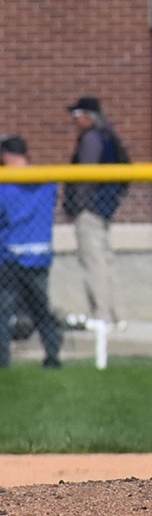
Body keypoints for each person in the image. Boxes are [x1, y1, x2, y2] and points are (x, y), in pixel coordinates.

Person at [64, 96, 127, 330]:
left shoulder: (91, 139)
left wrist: (77, 206)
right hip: (102, 209)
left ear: (87, 117)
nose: (74, 120)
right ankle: (118, 315)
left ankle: (102, 315)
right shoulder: (107, 135)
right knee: (105, 261)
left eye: (76, 115)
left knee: (93, 263)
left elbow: (85, 177)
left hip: (90, 211)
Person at [0, 135, 63, 368]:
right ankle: (52, 356)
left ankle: (2, 361)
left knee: (3, 311)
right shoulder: (46, 181)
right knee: (41, 310)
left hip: (10, 257)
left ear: (7, 155)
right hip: (39, 256)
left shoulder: (4, 184)